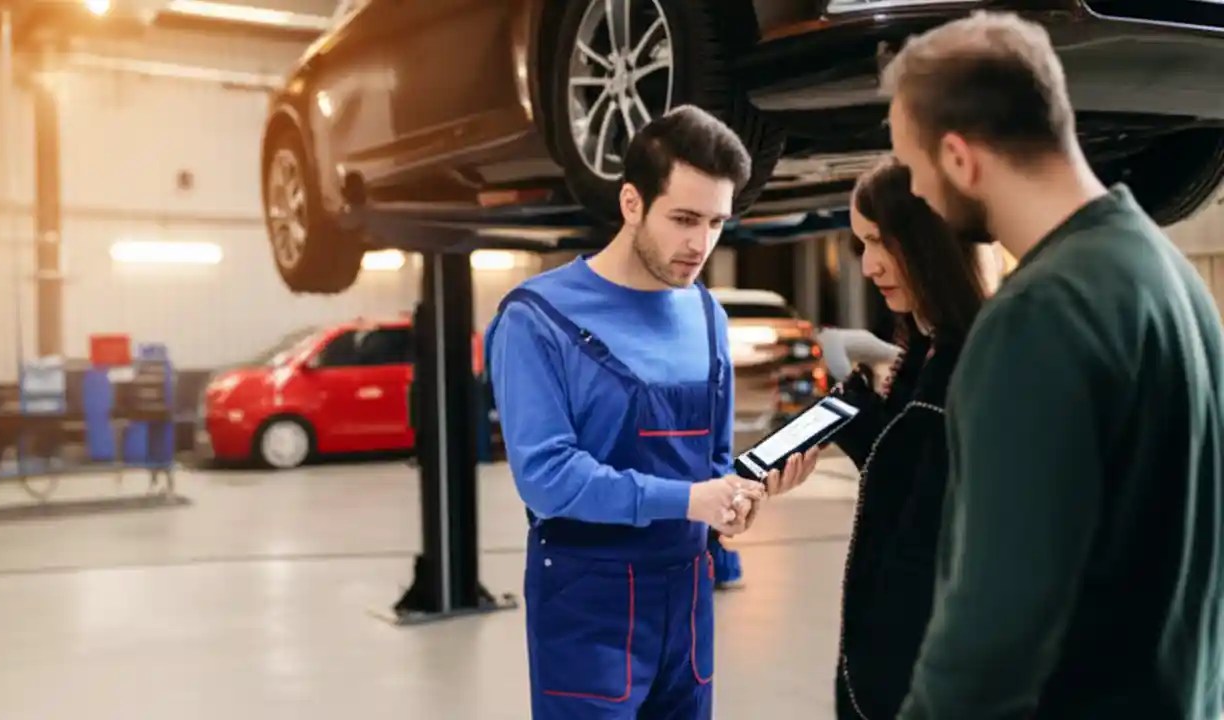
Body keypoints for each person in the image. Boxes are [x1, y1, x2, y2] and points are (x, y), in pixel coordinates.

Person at [881, 12, 1224, 718]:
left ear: (959, 158)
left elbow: (992, 632)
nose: (914, 194)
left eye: (912, 170)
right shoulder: (1167, 276)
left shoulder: (1037, 318)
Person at [486, 105, 816, 720]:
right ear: (632, 203)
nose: (700, 244)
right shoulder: (537, 318)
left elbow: (712, 463)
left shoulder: (708, 316)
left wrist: (738, 501)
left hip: (688, 599)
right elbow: (547, 477)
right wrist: (692, 500)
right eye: (684, 219)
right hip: (588, 603)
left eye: (717, 222)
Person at [801, 156, 986, 720]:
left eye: (880, 241)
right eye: (861, 244)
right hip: (883, 674)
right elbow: (905, 477)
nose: (868, 265)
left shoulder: (974, 366)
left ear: (929, 237)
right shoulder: (925, 353)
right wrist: (856, 422)